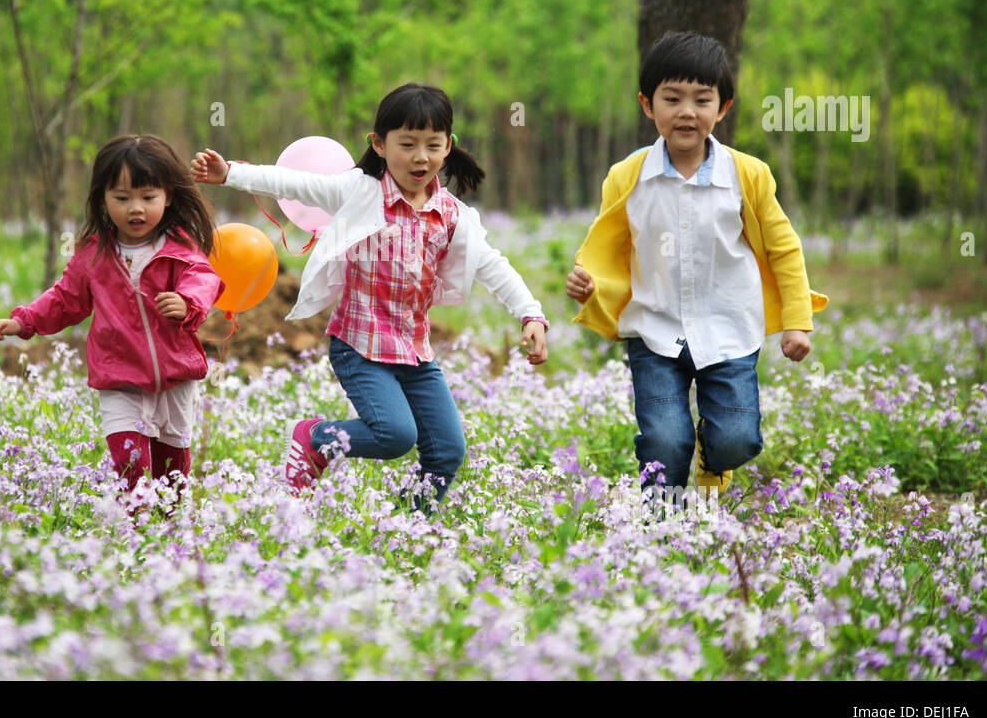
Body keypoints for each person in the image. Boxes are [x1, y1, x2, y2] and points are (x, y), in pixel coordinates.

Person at [191, 83, 548, 511]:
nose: (421, 157)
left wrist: (530, 313)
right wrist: (230, 173)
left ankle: (407, 528)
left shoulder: (452, 214)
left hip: (415, 352)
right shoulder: (359, 191)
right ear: (378, 144)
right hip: (359, 344)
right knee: (394, 435)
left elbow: (492, 263)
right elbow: (293, 182)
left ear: (448, 147)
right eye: (407, 144)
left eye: (433, 145)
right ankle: (315, 437)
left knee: (447, 451)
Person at [566, 32, 827, 502]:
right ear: (648, 106)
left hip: (729, 328)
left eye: (702, 100)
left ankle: (712, 465)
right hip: (654, 330)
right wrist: (588, 280)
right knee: (665, 442)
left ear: (722, 108)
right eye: (672, 98)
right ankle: (660, 529)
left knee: (736, 440)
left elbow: (784, 249)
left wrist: (796, 322)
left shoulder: (748, 175)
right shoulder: (627, 176)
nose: (687, 111)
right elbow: (609, 246)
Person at [0, 134, 224, 513]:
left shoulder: (180, 248)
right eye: (122, 197)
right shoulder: (93, 254)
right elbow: (66, 299)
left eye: (148, 197)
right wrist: (24, 321)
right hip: (119, 377)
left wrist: (188, 303)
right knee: (130, 464)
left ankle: (170, 526)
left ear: (168, 197)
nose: (136, 208)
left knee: (172, 467)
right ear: (102, 199)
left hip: (175, 376)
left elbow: (204, 279)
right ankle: (133, 530)